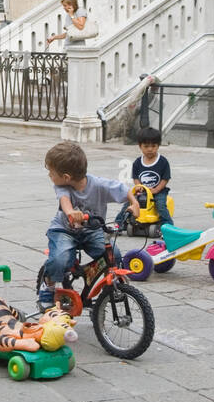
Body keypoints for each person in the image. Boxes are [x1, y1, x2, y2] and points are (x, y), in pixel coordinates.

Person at [40, 142, 141, 310]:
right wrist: (71, 212)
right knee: (60, 259)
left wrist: (135, 204)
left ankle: (108, 285)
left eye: (51, 172)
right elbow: (65, 201)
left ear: (66, 176)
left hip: (92, 231)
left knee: (113, 255)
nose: (50, 175)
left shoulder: (99, 185)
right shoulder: (62, 187)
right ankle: (48, 285)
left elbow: (125, 190)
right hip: (64, 231)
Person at [116, 126, 173, 227]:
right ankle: (119, 223)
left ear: (158, 145)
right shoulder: (138, 162)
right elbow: (136, 177)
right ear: (140, 146)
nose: (150, 149)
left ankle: (168, 226)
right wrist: (138, 186)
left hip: (158, 191)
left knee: (161, 205)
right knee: (128, 202)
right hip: (142, 191)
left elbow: (165, 178)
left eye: (153, 146)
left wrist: (156, 189)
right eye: (146, 146)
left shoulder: (163, 162)